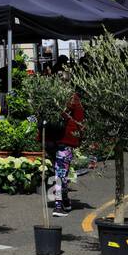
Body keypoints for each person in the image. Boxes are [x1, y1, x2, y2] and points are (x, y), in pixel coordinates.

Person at [48, 87, 85, 217]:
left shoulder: (49, 95)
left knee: (58, 171)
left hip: (50, 140)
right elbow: (79, 119)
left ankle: (64, 200)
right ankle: (58, 205)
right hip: (65, 140)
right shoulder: (72, 99)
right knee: (61, 173)